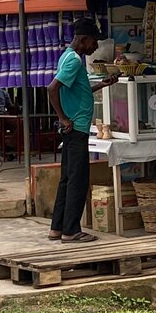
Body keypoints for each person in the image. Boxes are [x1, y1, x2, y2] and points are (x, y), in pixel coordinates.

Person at [47, 18, 116, 242]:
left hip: (74, 127)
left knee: (67, 178)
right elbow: (52, 88)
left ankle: (57, 227)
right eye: (94, 42)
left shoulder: (68, 57)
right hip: (75, 127)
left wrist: (102, 84)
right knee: (78, 179)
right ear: (84, 40)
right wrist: (63, 118)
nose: (95, 47)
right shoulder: (74, 61)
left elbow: (78, 90)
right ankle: (70, 230)